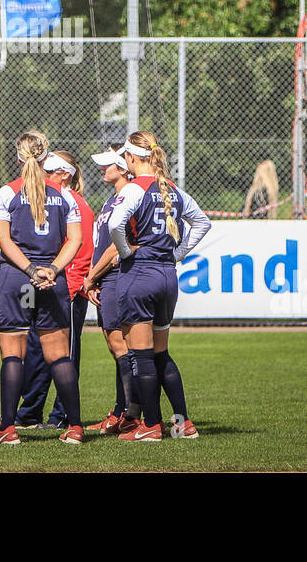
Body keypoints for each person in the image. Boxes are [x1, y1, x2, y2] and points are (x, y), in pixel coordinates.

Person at [90, 131, 211, 442]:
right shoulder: (172, 189)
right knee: (161, 354)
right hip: (168, 275)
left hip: (140, 275)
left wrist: (126, 251)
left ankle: (153, 426)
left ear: (130, 158)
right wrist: (179, 253)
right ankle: (183, 423)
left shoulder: (134, 188)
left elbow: (116, 225)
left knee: (141, 355)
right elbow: (203, 223)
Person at [0, 131, 85, 445]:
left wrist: (30, 269)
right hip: (53, 280)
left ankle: (8, 429)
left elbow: (4, 240)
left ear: (18, 156)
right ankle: (75, 428)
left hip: (17, 278)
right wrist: (52, 269)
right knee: (59, 356)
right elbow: (75, 240)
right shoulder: (65, 195)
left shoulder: (6, 193)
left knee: (12, 356)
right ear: (47, 159)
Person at [16, 151, 94, 430]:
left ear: (64, 175)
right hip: (46, 286)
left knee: (65, 355)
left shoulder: (76, 204)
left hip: (67, 289)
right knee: (37, 352)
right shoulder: (51, 199)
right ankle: (30, 413)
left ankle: (62, 415)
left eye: (50, 172)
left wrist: (71, 286)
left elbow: (82, 251)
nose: (44, 176)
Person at [81, 147, 139, 434]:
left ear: (123, 167)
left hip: (117, 274)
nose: (103, 169)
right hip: (106, 277)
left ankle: (133, 414)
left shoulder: (129, 196)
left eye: (108, 165)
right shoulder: (110, 201)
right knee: (115, 348)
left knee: (122, 348)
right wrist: (94, 278)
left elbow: (119, 245)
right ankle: (121, 411)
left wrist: (92, 277)